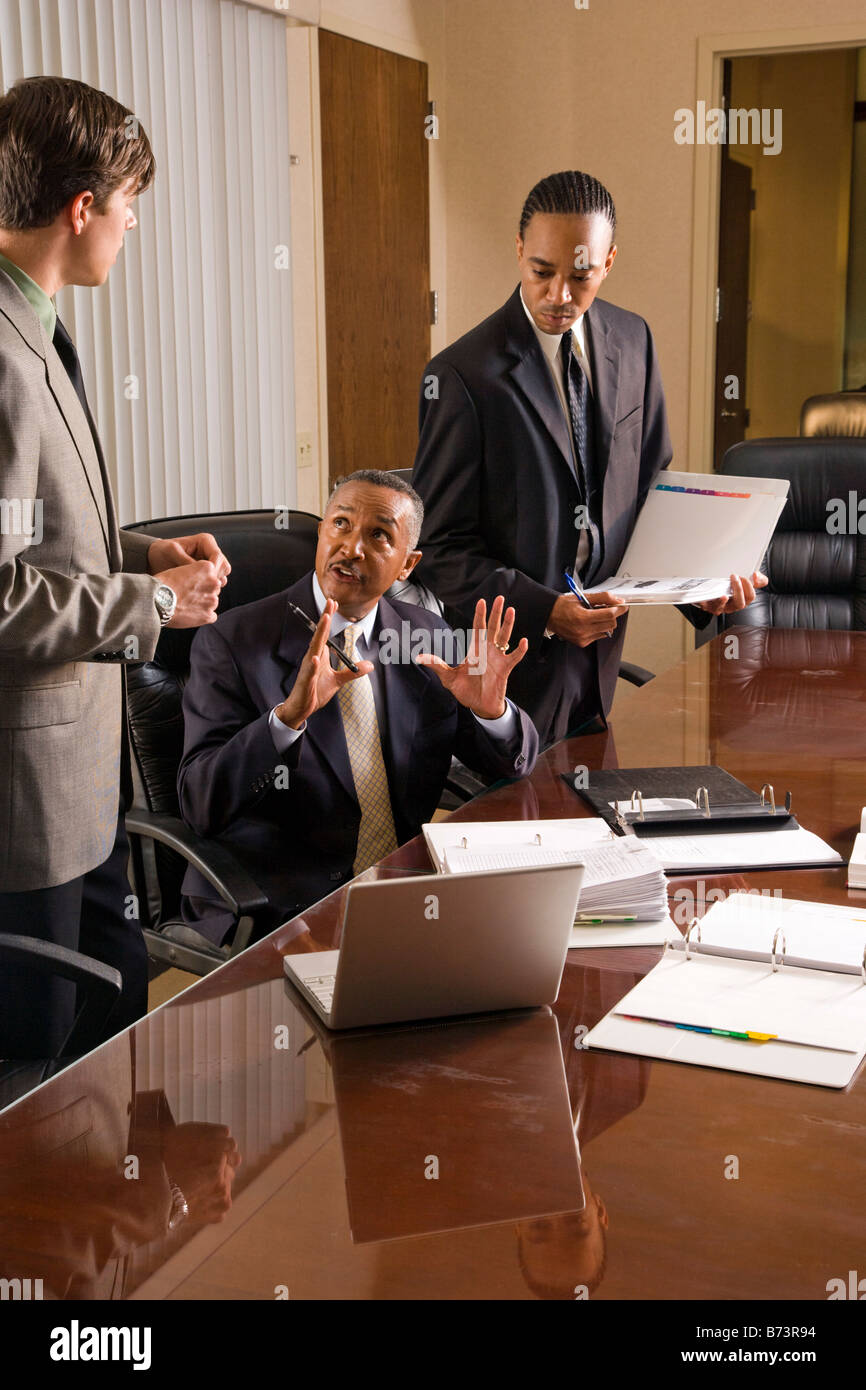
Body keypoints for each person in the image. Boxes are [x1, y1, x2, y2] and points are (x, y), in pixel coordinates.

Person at [0, 77, 230, 1059]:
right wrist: (150, 601)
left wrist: (143, 555)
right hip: (28, 801)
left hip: (85, 788)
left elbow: (28, 528)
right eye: (130, 201)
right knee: (42, 1067)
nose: (133, 224)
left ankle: (115, 1212)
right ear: (81, 206)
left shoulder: (36, 322)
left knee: (110, 1024)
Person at [412, 169, 766, 749]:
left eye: (580, 276)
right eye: (541, 272)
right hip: (508, 679)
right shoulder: (461, 377)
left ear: (608, 262)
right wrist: (547, 610)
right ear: (519, 249)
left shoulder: (634, 339)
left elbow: (651, 492)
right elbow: (440, 551)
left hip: (601, 669)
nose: (559, 296)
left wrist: (698, 583)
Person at [178, 469, 538, 945]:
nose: (351, 548)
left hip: (403, 894)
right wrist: (284, 723)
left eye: (378, 535)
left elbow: (510, 765)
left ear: (407, 565)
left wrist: (491, 713)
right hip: (276, 903)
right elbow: (199, 804)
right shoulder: (232, 640)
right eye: (341, 525)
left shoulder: (424, 634)